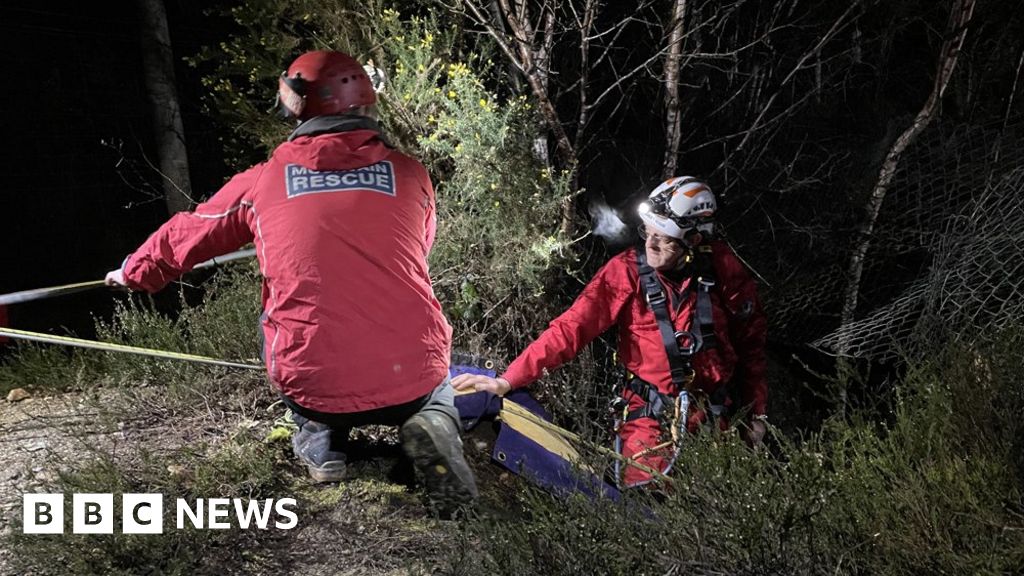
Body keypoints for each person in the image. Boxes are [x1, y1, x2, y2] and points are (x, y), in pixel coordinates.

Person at [105, 50, 477, 515]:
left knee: (285, 317)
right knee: (431, 375)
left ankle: (322, 443)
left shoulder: (263, 182)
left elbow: (190, 232)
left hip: (316, 384)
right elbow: (420, 249)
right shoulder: (410, 173)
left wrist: (134, 271)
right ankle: (434, 421)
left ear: (297, 109)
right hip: (411, 377)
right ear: (367, 102)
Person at [452, 176, 767, 488]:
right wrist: (508, 380)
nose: (651, 244)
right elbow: (570, 329)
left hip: (713, 420)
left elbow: (751, 347)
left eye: (664, 238)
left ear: (694, 241)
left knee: (713, 504)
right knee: (644, 503)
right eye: (648, 232)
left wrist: (757, 414)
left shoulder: (724, 273)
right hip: (649, 423)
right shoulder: (626, 272)